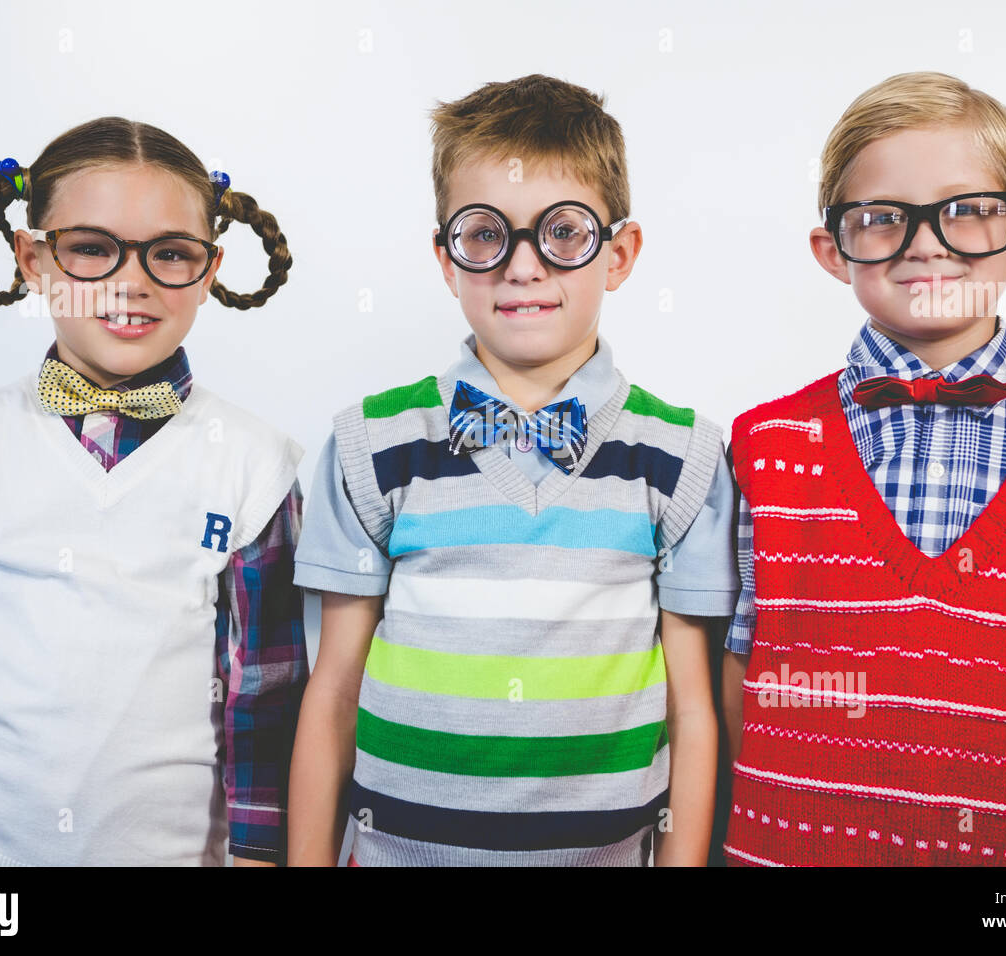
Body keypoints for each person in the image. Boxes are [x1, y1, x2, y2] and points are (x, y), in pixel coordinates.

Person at [288, 74, 736, 866]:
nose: (523, 267)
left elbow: (693, 710)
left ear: (621, 253)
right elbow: (331, 691)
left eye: (563, 233)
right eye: (486, 234)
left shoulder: (680, 456)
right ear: (446, 256)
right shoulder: (373, 443)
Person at [722, 72, 1006, 866]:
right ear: (834, 249)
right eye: (885, 219)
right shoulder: (764, 446)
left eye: (966, 210)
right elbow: (737, 683)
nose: (926, 244)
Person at [0, 117, 306, 866]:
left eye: (170, 254)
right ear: (33, 260)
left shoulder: (256, 466)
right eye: (92, 249)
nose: (130, 283)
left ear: (208, 270)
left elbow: (263, 704)